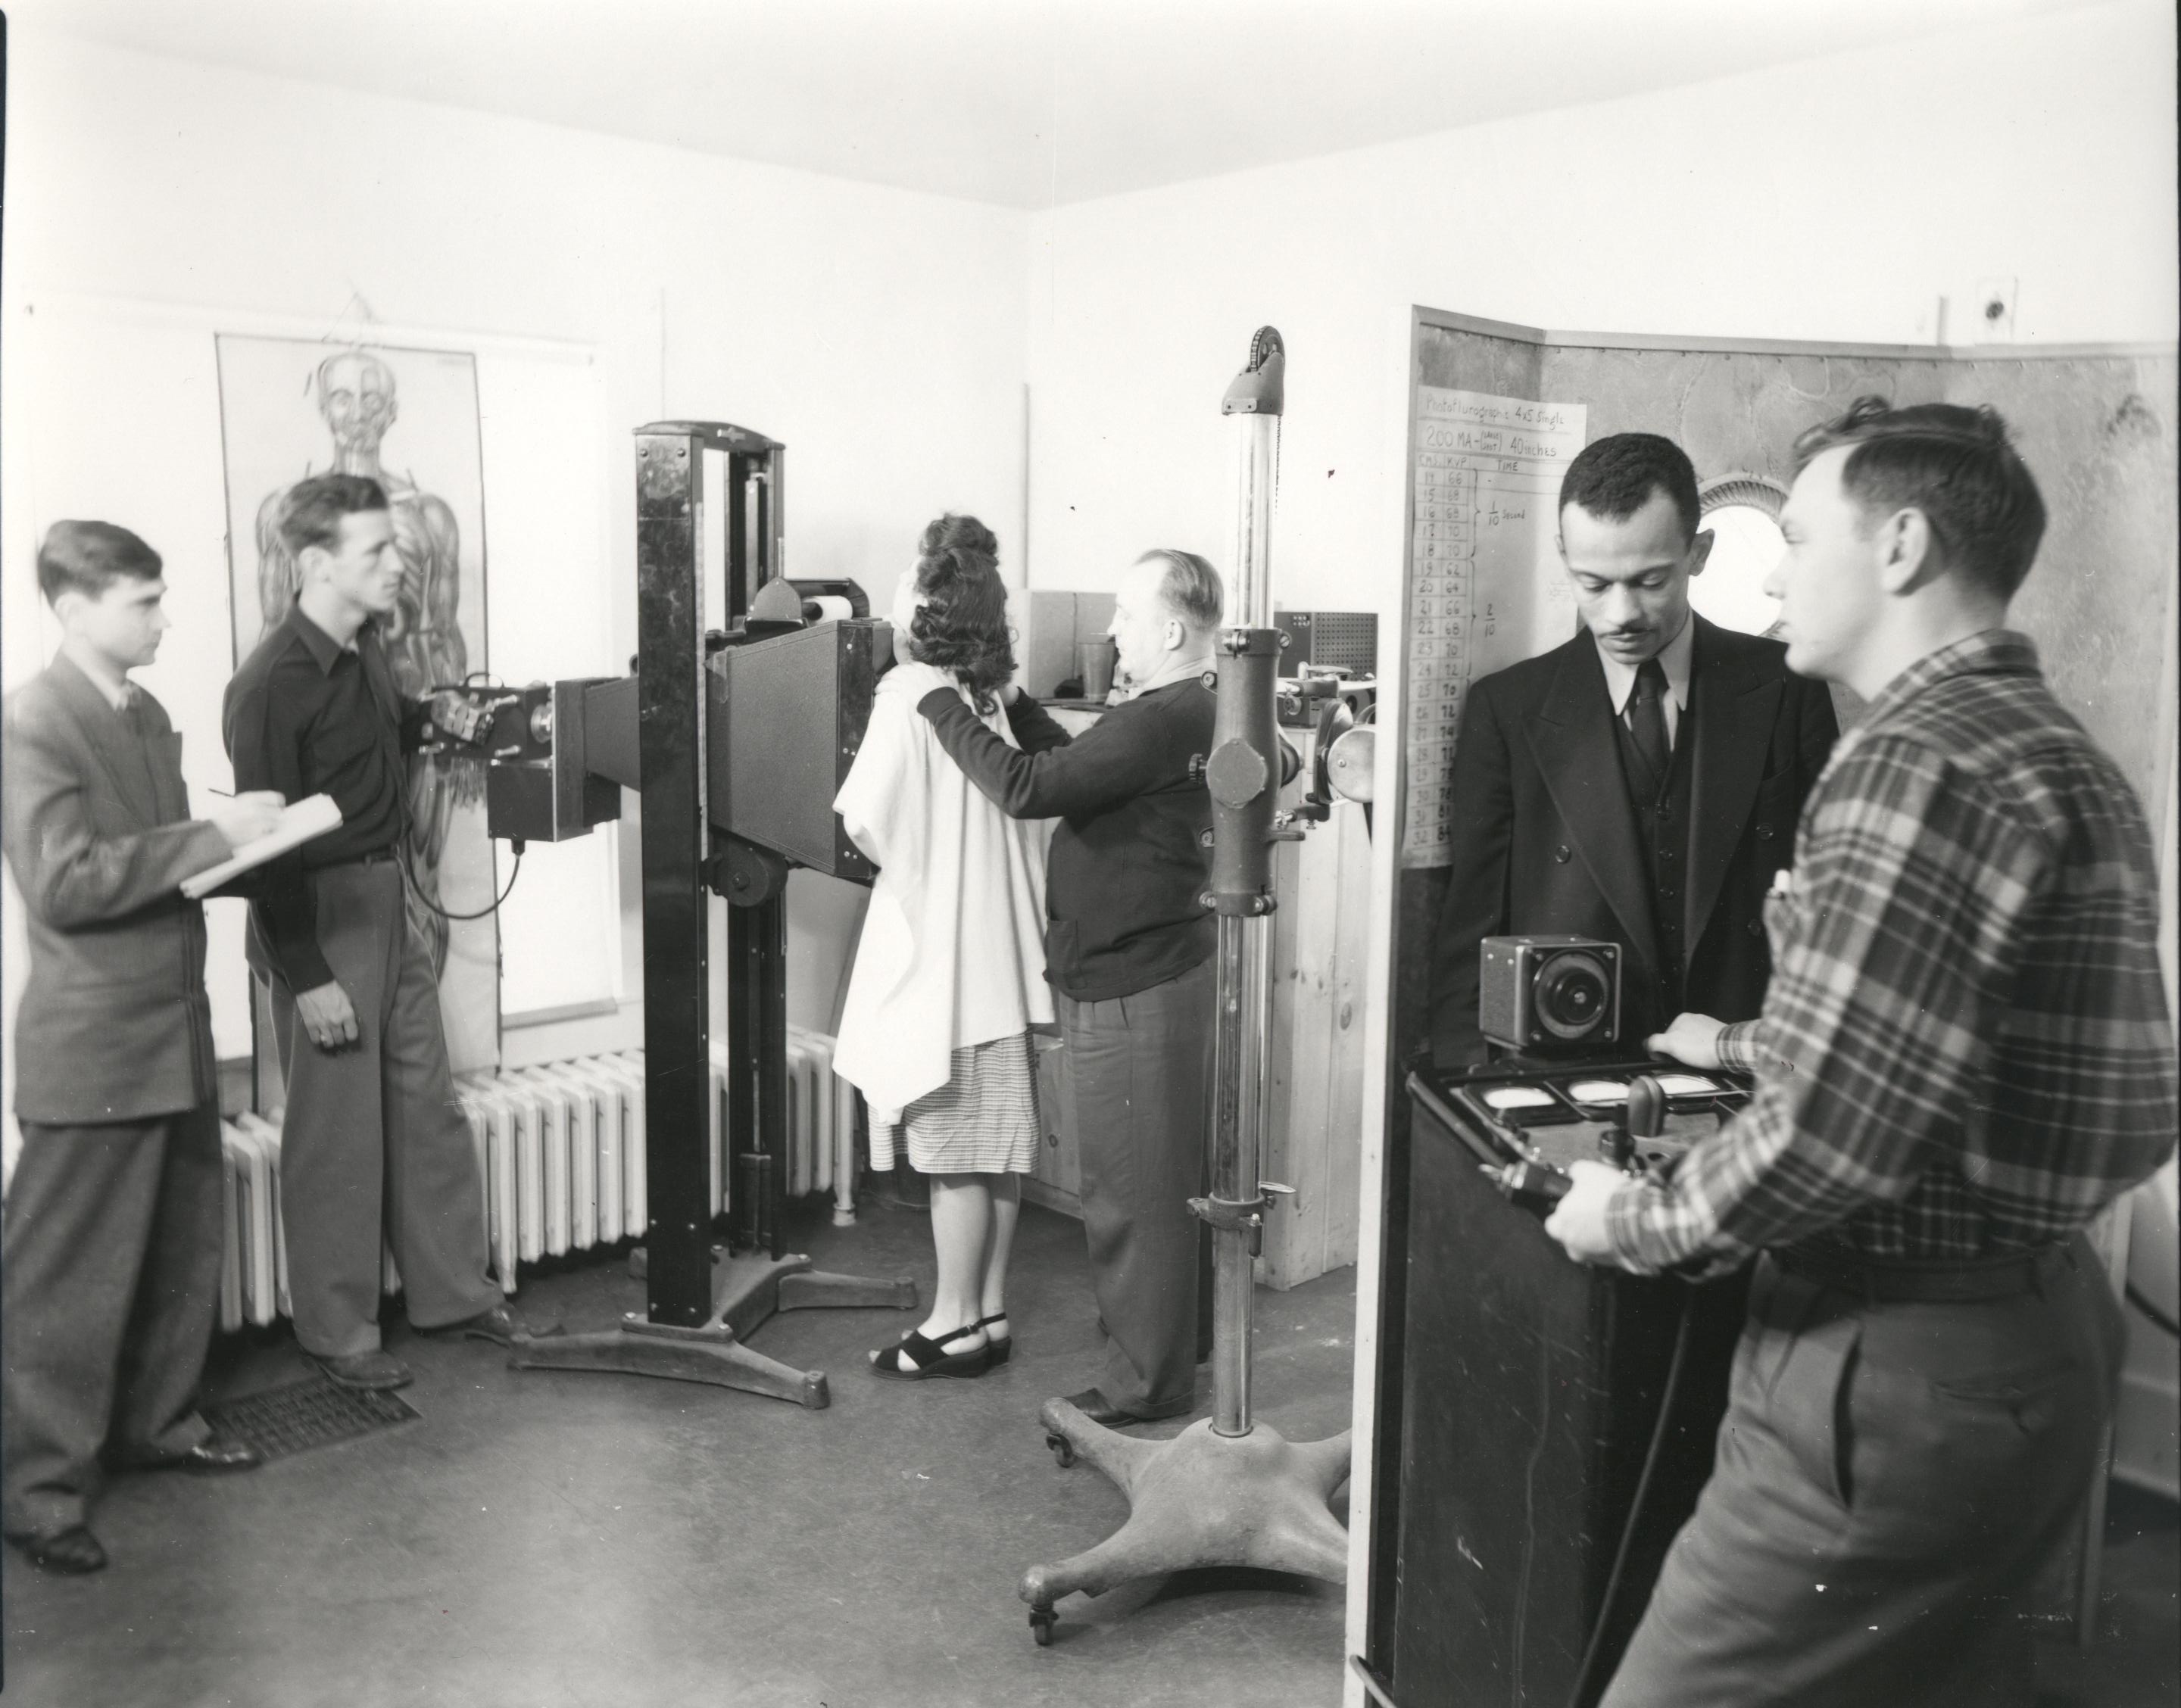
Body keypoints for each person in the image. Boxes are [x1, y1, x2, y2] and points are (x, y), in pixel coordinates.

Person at [1544, 400, 2177, 1706]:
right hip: (2042, 1345)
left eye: (1797, 534)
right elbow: (2124, 1108)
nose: (1771, 571)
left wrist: (1630, 1217)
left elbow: (1831, 1134)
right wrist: (1755, 1039)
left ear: (1899, 547)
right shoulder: (2064, 759)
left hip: (1888, 1369)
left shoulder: (1908, 762)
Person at [223, 474, 549, 1392]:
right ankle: (337, 1334)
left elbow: (384, 730)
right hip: (317, 916)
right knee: (334, 1135)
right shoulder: (267, 687)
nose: (395, 563)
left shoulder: (362, 647)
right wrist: (306, 973)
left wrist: (435, 716)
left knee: (424, 1108)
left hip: (387, 903)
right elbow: (264, 850)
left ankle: (453, 1295)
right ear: (316, 563)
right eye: (375, 551)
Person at [2, 522, 283, 1574]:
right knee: (63, 1287)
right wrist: (217, 837)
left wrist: (251, 845)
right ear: (75, 610)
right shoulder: (33, 721)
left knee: (179, 1251)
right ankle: (37, 1498)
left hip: (169, 1029)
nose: (164, 620)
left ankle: (157, 1428)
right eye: (144, 604)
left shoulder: (145, 710)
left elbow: (151, 870)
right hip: (95, 1050)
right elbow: (66, 882)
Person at [913, 548, 1222, 1426]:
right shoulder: (1188, 707)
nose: (1112, 630)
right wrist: (1013, 705)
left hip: (1133, 985)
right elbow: (1085, 766)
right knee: (1161, 1185)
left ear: (1170, 629)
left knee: (1130, 1194)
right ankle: (1172, 1353)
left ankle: (1144, 1386)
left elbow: (1026, 786)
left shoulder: (1166, 713)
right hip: (1154, 975)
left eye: (1125, 615)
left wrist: (934, 702)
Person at [1427, 432, 1838, 1066]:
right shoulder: (1507, 710)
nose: (1622, 614)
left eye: (1650, 581)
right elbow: (1471, 937)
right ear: (1564, 555)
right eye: (1593, 584)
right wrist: (1468, 1099)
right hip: (1568, 1073)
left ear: (1698, 553)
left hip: (1744, 1069)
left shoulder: (1789, 685)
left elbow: (1830, 907)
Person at [834, 515, 1054, 1379]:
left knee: (955, 1154)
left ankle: (952, 1322)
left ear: (921, 604)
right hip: (1000, 960)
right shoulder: (991, 694)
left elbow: (864, 815)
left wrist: (911, 865)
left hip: (943, 963)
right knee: (996, 1148)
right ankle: (989, 1313)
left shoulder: (910, 693)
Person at [252, 350, 473, 977]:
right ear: (324, 407)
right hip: (335, 859)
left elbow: (442, 630)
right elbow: (268, 846)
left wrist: (451, 722)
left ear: (392, 412)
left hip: (406, 725)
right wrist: (305, 972)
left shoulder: (427, 518)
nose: (358, 414)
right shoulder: (283, 516)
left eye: (373, 399)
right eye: (344, 398)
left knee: (419, 885)